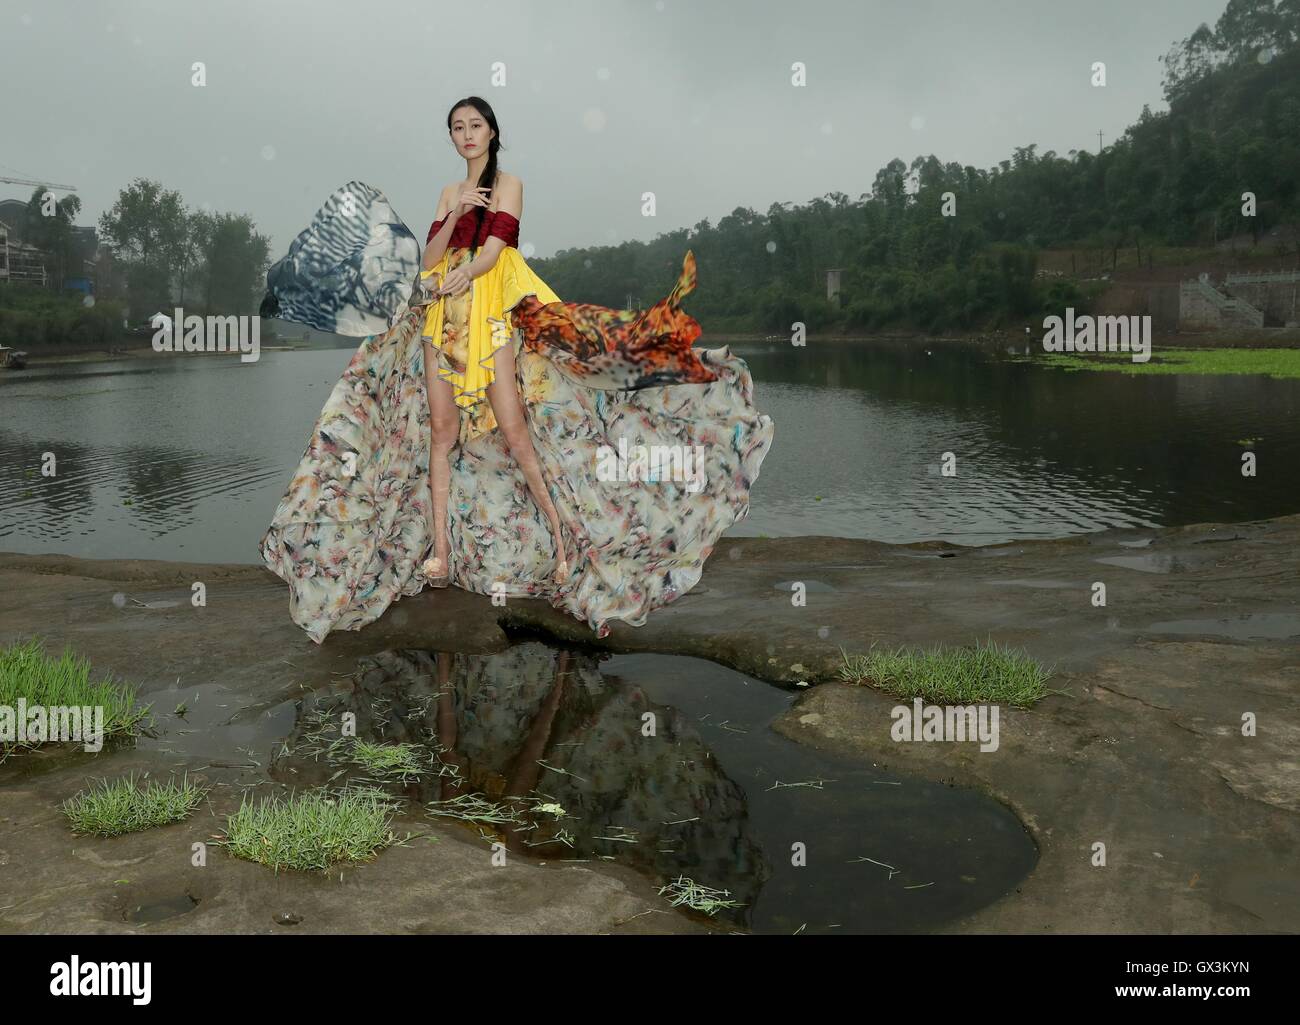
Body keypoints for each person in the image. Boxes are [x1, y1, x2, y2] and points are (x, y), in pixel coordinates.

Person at [259, 95, 774, 644]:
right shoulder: (448, 191)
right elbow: (430, 260)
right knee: (442, 433)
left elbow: (495, 249)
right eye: (457, 128)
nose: (465, 134)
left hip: (490, 306)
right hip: (442, 314)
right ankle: (439, 551)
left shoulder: (510, 185)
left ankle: (561, 540)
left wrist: (467, 273)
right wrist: (454, 214)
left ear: (491, 130)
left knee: (515, 431)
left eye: (474, 125)